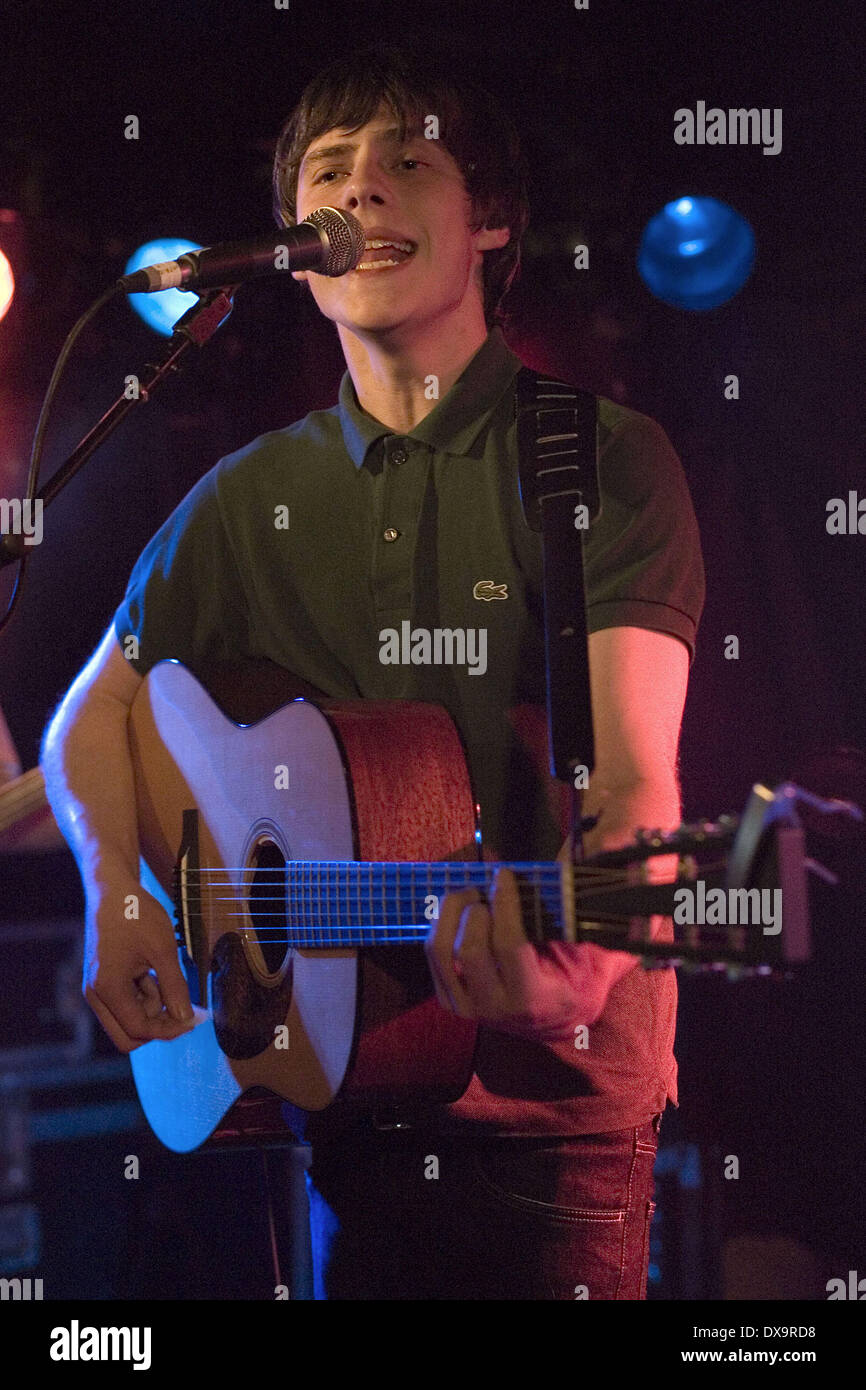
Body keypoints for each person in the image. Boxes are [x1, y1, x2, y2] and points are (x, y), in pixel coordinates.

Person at [41, 44, 705, 1300]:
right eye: (330, 172)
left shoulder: (597, 460)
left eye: (409, 161)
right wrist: (120, 893)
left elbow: (632, 783)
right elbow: (94, 712)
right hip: (343, 1108)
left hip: (545, 1125)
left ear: (492, 222)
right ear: (296, 239)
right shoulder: (248, 496)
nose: (362, 192)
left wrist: (581, 955)